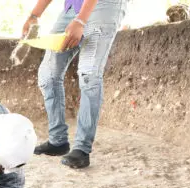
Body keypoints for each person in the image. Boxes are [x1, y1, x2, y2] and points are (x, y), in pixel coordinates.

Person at [24, 0, 129, 169]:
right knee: (48, 75)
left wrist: (81, 21)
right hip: (72, 7)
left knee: (89, 74)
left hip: (105, 5)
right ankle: (58, 141)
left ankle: (82, 148)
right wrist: (34, 15)